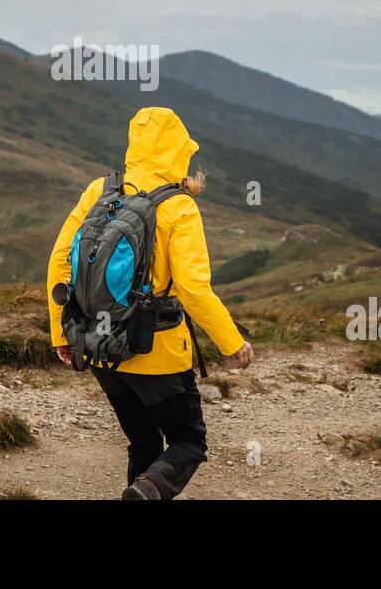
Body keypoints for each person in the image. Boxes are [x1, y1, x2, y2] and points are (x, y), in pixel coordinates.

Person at [46, 107, 254, 500]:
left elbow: (60, 261)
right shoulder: (178, 206)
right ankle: (146, 491)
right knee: (188, 443)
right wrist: (231, 342)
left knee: (143, 441)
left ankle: (141, 491)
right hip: (153, 349)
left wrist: (62, 333)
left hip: (98, 344)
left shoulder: (100, 190)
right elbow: (193, 288)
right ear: (179, 152)